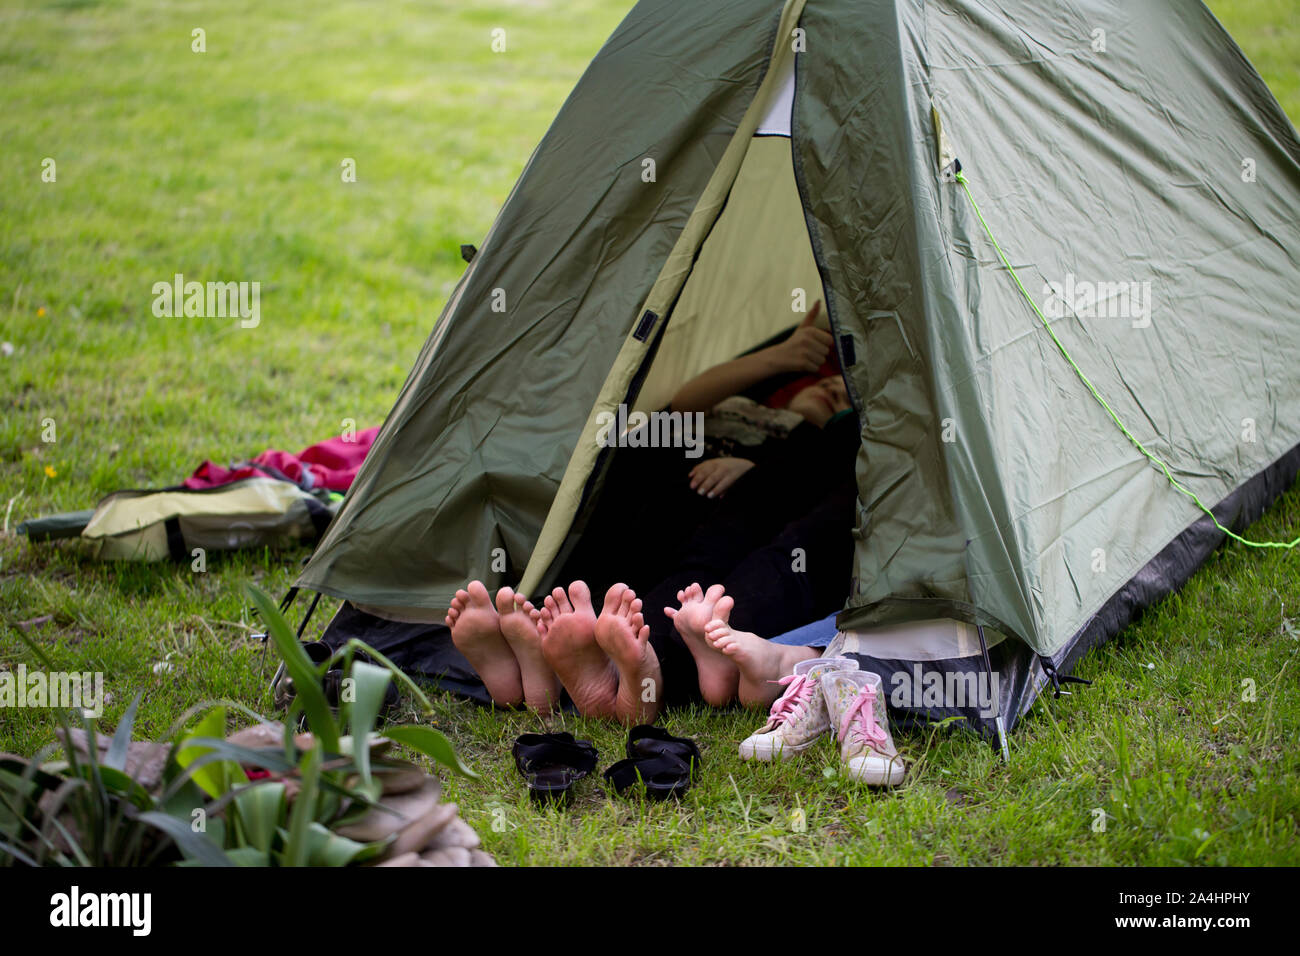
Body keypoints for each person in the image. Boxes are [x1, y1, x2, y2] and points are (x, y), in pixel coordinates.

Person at [445, 305, 858, 720]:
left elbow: (812, 469)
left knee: (681, 576)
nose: (832, 394)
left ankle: (620, 664)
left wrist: (759, 467)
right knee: (626, 520)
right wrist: (781, 357)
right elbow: (684, 403)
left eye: (842, 401)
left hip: (724, 501)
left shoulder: (809, 444)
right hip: (674, 477)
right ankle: (543, 661)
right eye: (831, 384)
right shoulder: (756, 404)